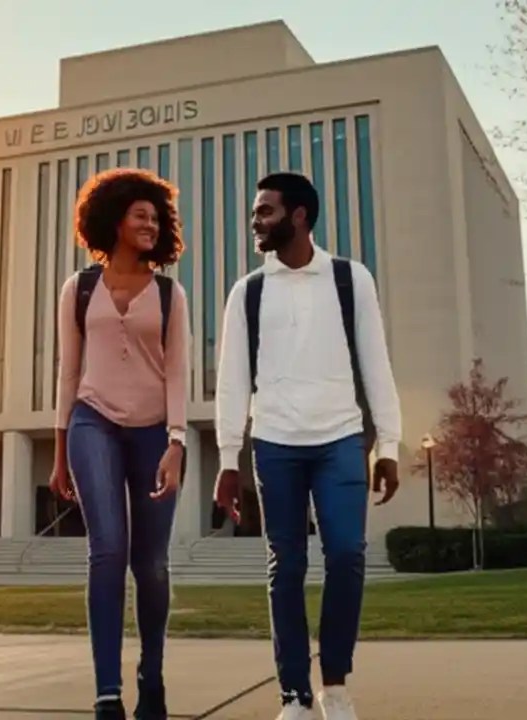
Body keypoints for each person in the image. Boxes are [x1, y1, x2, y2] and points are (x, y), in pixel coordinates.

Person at [213, 173, 402, 720]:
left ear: (299, 217)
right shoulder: (247, 292)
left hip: (341, 439)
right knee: (286, 565)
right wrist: (229, 460)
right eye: (255, 212)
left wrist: (387, 441)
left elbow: (376, 362)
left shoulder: (349, 279)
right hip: (274, 444)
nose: (256, 221)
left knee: (346, 555)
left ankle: (335, 686)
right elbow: (231, 380)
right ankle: (294, 694)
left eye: (265, 212)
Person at [51, 168, 190, 720]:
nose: (151, 224)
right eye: (141, 215)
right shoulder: (79, 287)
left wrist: (177, 443)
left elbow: (179, 373)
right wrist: (60, 449)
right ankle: (107, 693)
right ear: (112, 219)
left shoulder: (169, 292)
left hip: (155, 430)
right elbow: (68, 371)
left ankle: (150, 677)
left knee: (151, 563)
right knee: (107, 550)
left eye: (157, 217)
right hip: (94, 422)